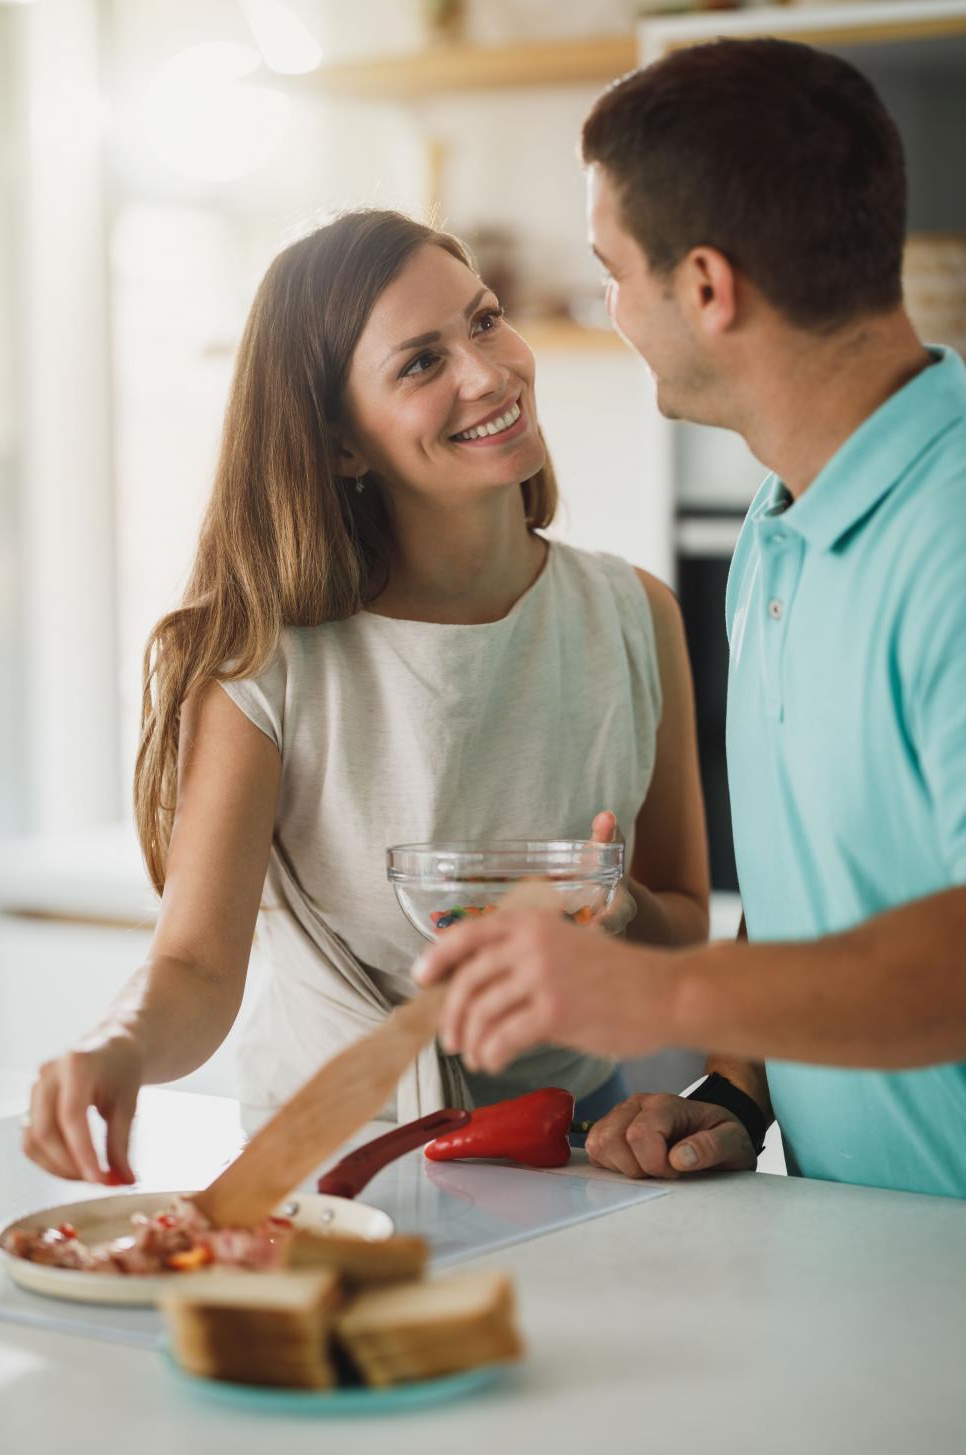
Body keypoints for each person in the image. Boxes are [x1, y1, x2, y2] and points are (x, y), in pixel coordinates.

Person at [22, 208, 710, 1185]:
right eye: (420, 363)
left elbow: (684, 921)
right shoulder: (267, 660)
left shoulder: (634, 615)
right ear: (343, 446)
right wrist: (119, 1047)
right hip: (332, 1156)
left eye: (482, 320)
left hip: (575, 1138)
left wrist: (609, 903)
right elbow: (195, 969)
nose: (487, 372)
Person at [416, 39, 966, 1200]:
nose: (608, 308)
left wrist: (656, 995)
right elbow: (836, 890)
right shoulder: (782, 525)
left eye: (612, 270)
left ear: (708, 288)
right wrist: (736, 1088)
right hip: (862, 1258)